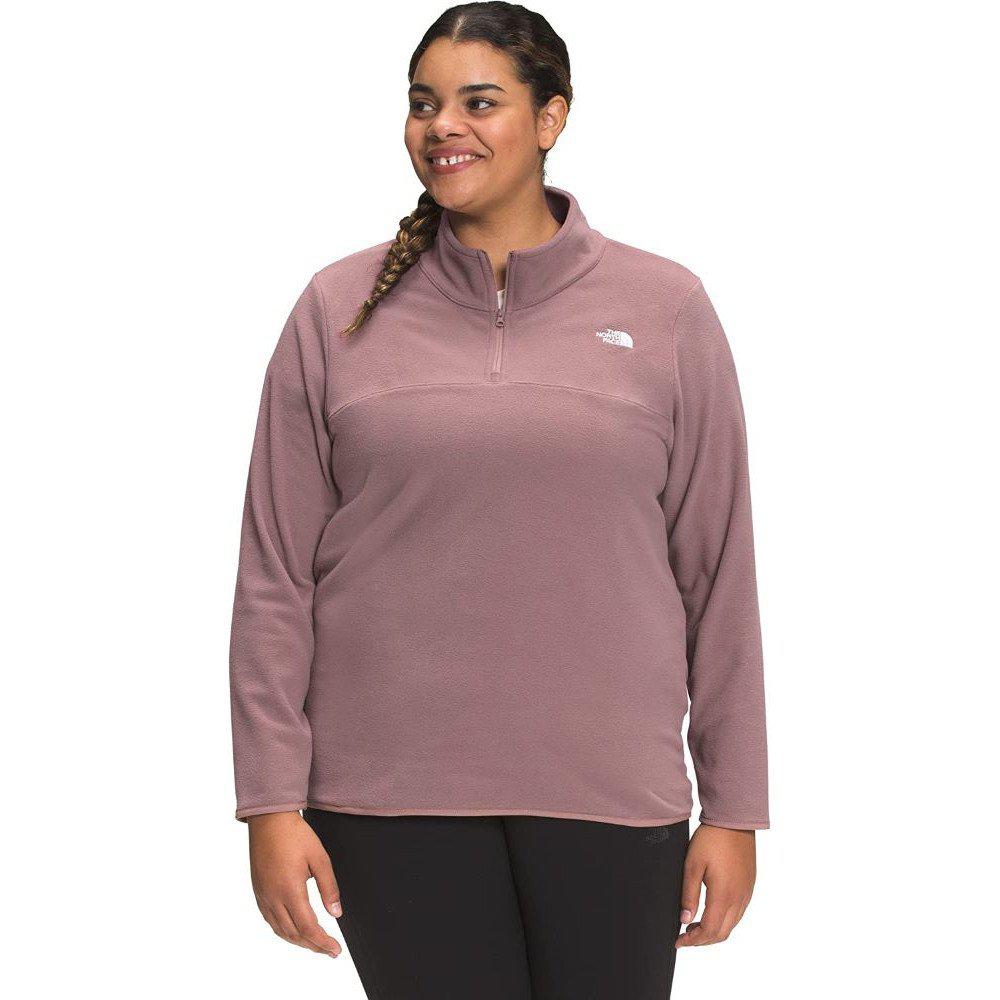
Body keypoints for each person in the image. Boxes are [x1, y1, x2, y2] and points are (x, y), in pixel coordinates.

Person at [229, 3, 769, 996]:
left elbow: (717, 571)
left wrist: (734, 807)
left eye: (479, 102)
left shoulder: (666, 310)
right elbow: (274, 575)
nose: (443, 126)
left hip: (613, 796)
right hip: (387, 801)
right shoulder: (335, 309)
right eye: (423, 103)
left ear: (551, 116)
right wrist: (268, 801)